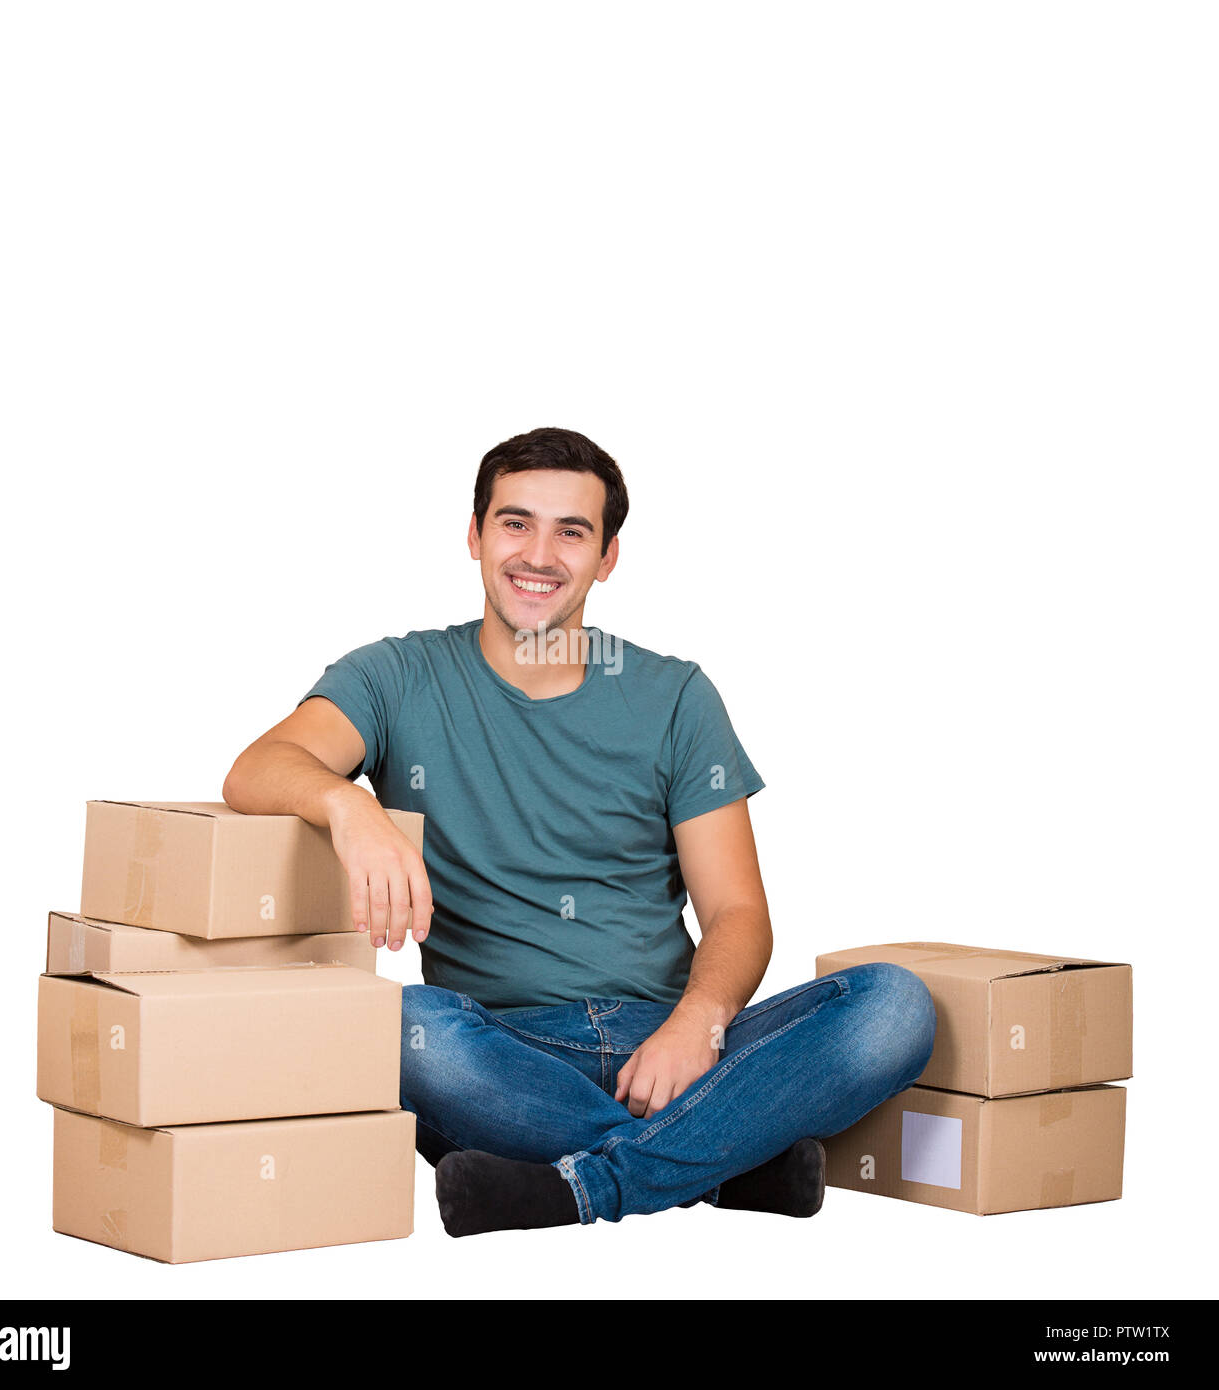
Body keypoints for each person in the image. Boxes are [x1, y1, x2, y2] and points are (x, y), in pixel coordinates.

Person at [223, 426, 935, 1236]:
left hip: (678, 1049)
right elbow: (258, 767)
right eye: (515, 522)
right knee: (403, 1025)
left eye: (572, 531)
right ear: (474, 535)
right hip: (501, 1050)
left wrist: (694, 1027)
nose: (538, 554)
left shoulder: (675, 696)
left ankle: (584, 1186)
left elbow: (738, 913)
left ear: (608, 558)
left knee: (894, 1006)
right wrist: (349, 807)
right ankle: (721, 1162)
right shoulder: (395, 675)